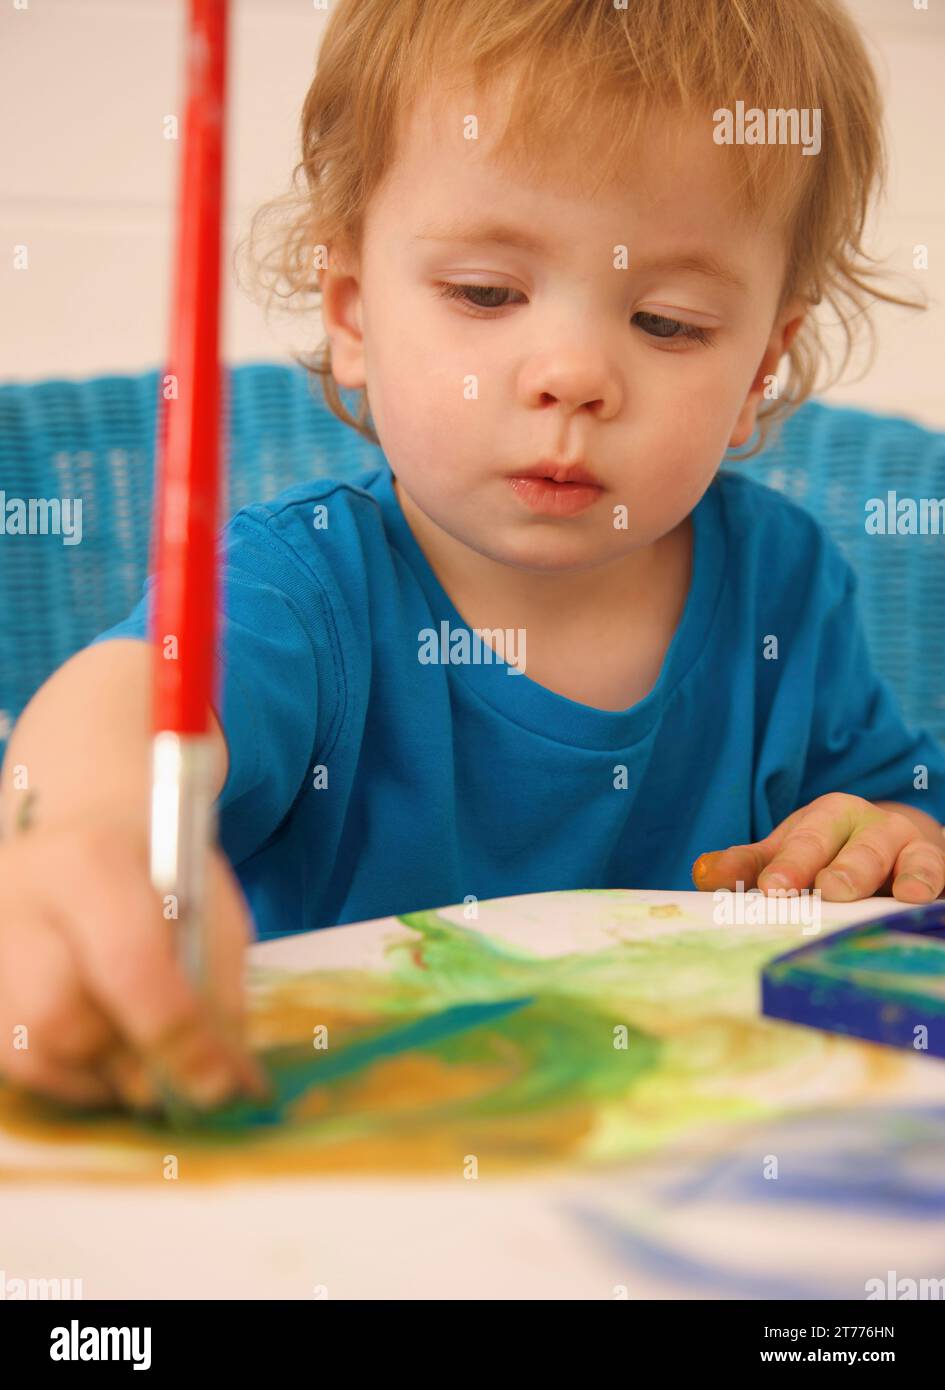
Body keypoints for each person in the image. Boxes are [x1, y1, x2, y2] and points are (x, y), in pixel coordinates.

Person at [2, 0, 943, 1112]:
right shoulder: (302, 586)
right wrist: (77, 830)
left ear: (759, 373)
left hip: (676, 1162)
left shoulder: (787, 581)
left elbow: (892, 820)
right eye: (487, 294)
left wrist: (882, 839)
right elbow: (134, 704)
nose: (573, 373)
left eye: (671, 322)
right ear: (352, 314)